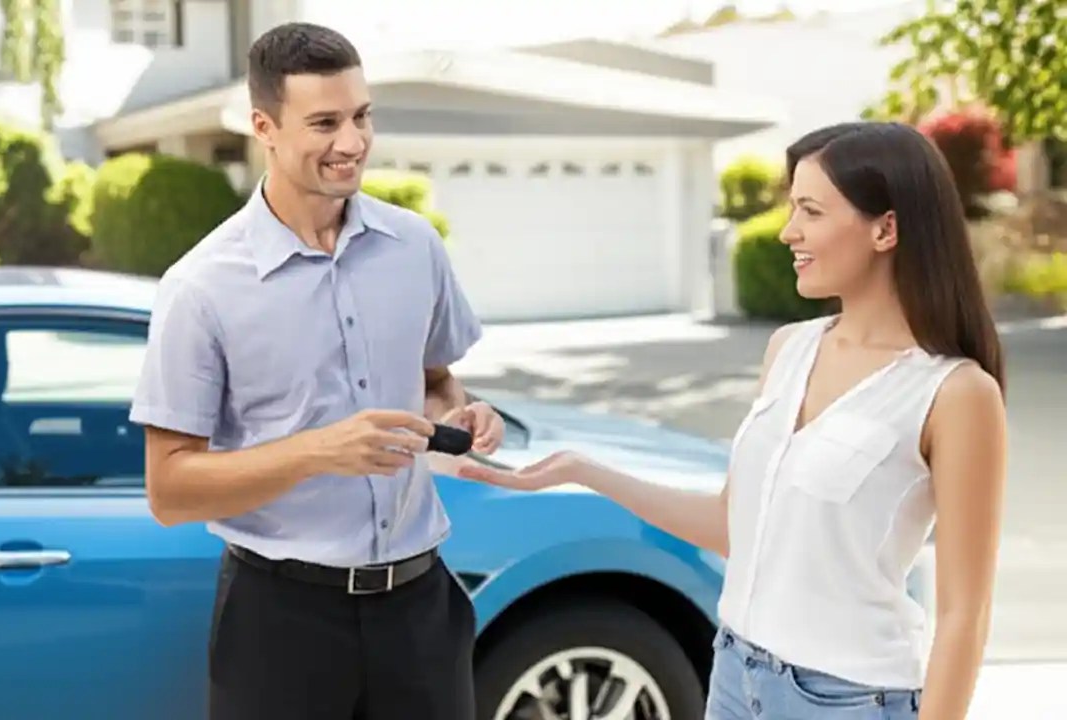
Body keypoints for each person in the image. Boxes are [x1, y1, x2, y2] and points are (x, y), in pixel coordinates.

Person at [459, 121, 1007, 720]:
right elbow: (734, 526)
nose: (787, 231)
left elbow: (965, 615)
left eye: (811, 211)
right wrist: (584, 470)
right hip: (736, 676)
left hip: (850, 700)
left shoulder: (953, 393)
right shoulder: (790, 348)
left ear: (886, 228)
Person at [128, 21, 503, 720]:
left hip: (420, 611)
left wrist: (459, 413)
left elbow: (435, 380)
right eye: (325, 122)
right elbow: (169, 489)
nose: (353, 142)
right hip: (280, 623)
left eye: (361, 116)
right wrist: (319, 451)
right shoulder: (201, 286)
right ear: (263, 126)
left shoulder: (414, 247)